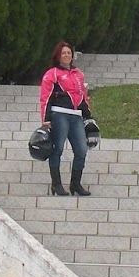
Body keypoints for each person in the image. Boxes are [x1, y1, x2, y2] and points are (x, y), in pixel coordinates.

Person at [38, 41, 94, 197]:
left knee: (82, 150)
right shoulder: (52, 74)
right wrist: (45, 119)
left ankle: (75, 184)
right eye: (63, 53)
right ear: (58, 56)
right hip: (59, 114)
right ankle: (56, 185)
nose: (67, 55)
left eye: (69, 52)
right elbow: (45, 98)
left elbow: (83, 96)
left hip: (76, 117)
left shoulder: (78, 74)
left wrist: (88, 115)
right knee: (58, 149)